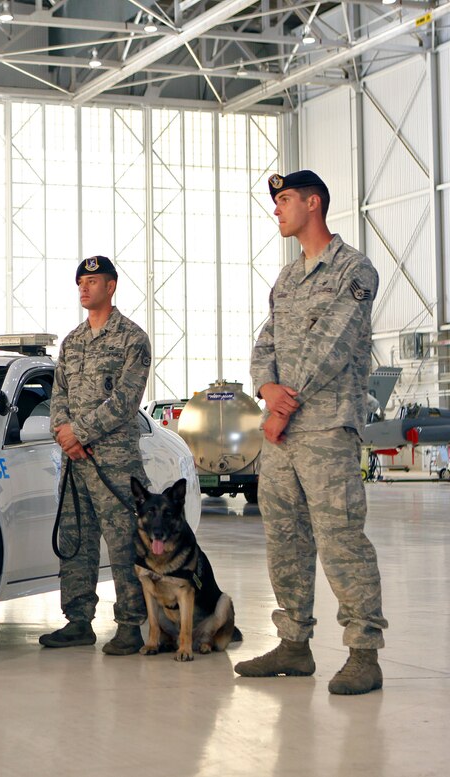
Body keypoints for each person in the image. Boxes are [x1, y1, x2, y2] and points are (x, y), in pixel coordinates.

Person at [236, 170, 388, 695]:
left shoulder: (353, 269)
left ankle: (363, 652)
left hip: (325, 428)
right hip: (282, 436)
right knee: (285, 538)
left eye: (284, 200)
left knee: (340, 538)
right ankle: (294, 645)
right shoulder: (286, 278)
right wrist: (265, 387)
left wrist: (284, 403)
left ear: (314, 203)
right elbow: (265, 343)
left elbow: (333, 345)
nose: (276, 210)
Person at [40, 255, 152, 655]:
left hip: (115, 463)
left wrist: (80, 432)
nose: (84, 288)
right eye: (80, 282)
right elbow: (59, 395)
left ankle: (130, 625)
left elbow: (124, 401)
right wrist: (63, 433)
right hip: (75, 462)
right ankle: (78, 620)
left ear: (111, 286)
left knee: (124, 543)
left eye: (93, 281)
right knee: (76, 540)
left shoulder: (132, 339)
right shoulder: (72, 342)